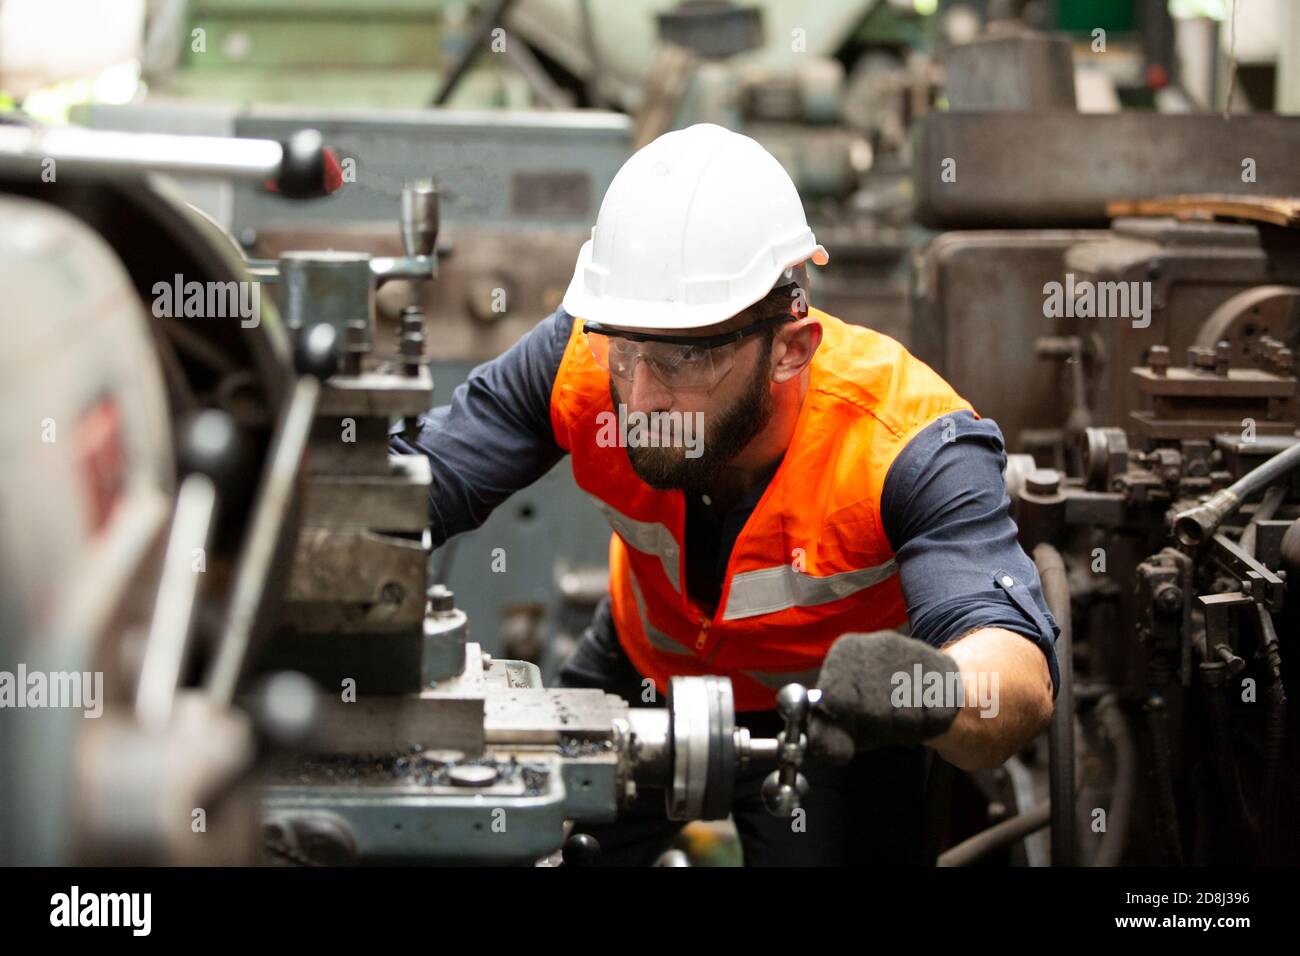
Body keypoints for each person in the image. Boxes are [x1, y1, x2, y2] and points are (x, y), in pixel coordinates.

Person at [392, 123, 1059, 865]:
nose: (640, 397)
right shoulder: (581, 359)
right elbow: (412, 485)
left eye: (686, 356)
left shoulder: (908, 443)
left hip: (833, 719)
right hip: (640, 671)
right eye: (626, 349)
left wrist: (915, 689)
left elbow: (1017, 682)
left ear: (789, 347)